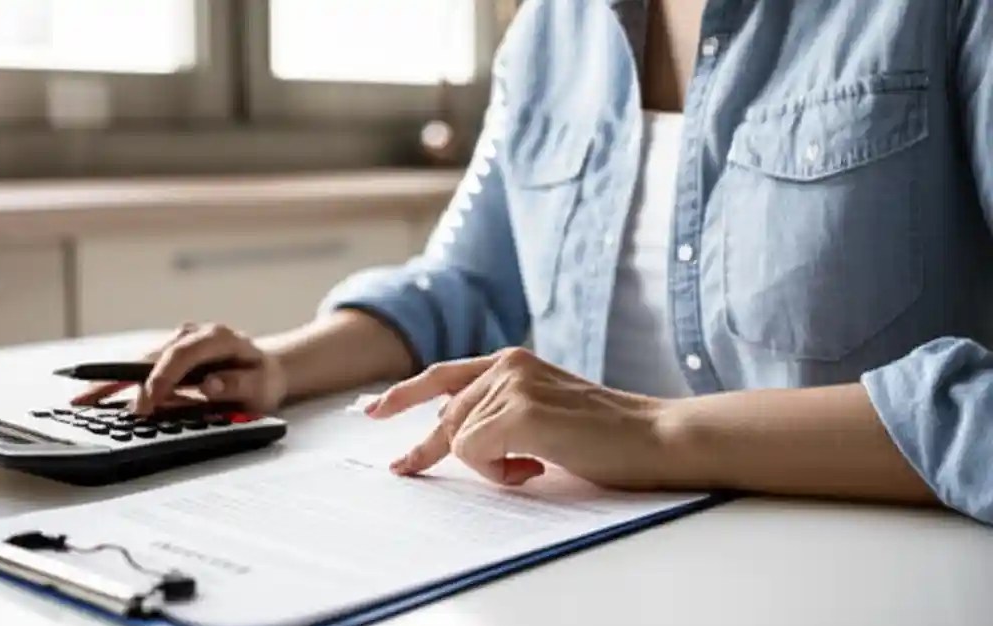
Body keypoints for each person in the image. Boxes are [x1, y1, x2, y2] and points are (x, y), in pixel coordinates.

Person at [77, 0, 993, 524]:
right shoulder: (553, 30)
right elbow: (469, 287)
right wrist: (280, 364)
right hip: (579, 559)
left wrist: (653, 435)